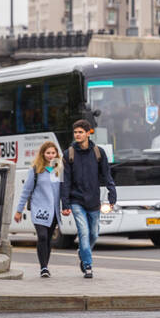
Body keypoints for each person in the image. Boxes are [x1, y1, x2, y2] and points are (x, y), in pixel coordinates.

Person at [60, 119, 117, 279]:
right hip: (76, 200)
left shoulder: (99, 152)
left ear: (87, 133)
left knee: (94, 233)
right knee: (84, 233)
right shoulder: (68, 154)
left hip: (93, 201)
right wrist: (65, 203)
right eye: (75, 132)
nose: (77, 135)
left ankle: (83, 252)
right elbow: (65, 181)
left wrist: (112, 195)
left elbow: (107, 175)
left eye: (80, 132)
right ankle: (88, 265)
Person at [14, 140, 63, 278]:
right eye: (48, 152)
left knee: (48, 239)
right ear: (43, 154)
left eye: (53, 153)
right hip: (39, 209)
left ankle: (45, 266)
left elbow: (63, 190)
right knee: (42, 236)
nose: (51, 155)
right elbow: (26, 191)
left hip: (53, 211)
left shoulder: (59, 169)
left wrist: (66, 206)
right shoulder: (35, 169)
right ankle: (43, 267)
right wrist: (19, 211)